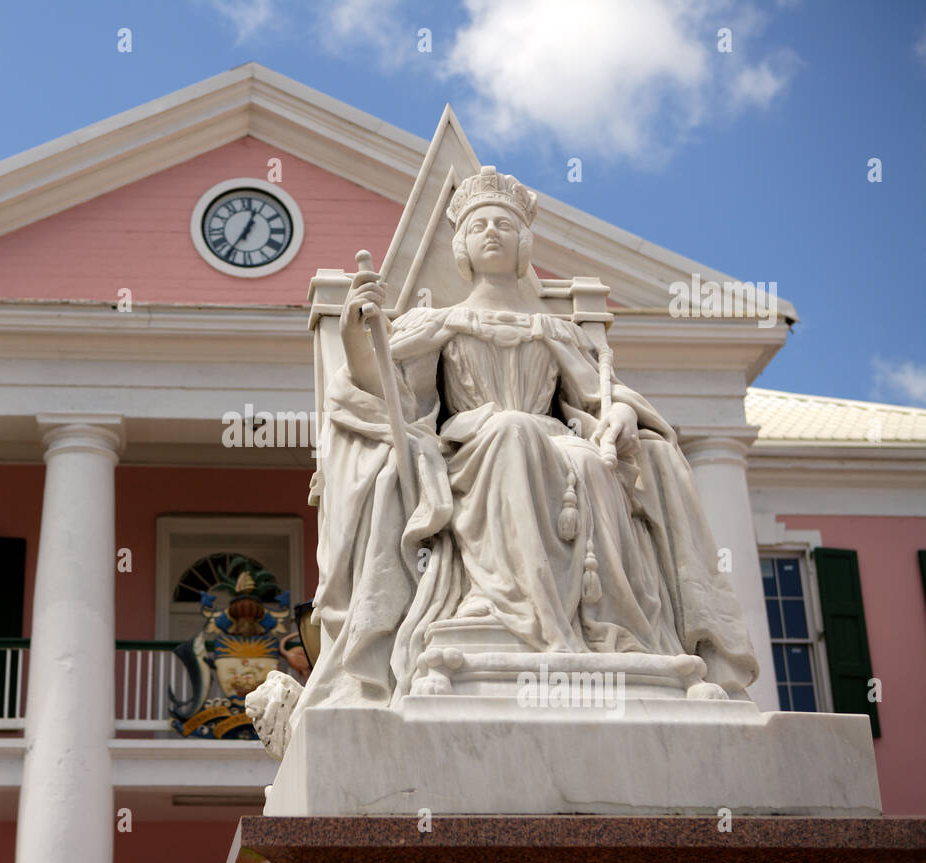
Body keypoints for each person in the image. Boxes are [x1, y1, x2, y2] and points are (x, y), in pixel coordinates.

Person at [283, 166, 758, 730]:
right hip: (474, 449)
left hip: (560, 449)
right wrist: (357, 335)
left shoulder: (555, 330)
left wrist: (622, 416)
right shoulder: (440, 322)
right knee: (513, 430)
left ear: (522, 242)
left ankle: (611, 624)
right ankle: (502, 606)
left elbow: (600, 395)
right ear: (462, 243)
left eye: (503, 225)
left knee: (588, 457)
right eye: (479, 224)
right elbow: (384, 394)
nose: (491, 232)